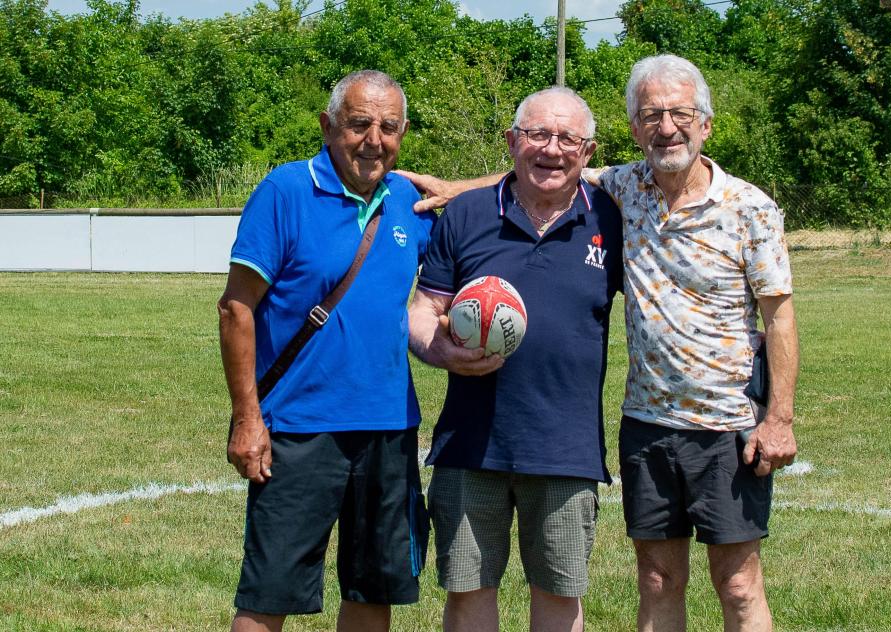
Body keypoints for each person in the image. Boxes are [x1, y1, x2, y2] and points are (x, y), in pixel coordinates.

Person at [400, 55, 799, 632]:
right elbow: (542, 170)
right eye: (651, 115)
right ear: (635, 129)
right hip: (639, 426)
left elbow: (780, 318)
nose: (667, 127)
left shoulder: (732, 209)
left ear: (705, 123)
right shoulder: (621, 192)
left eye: (680, 113)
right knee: (657, 580)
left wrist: (779, 416)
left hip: (716, 424)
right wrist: (463, 190)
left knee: (738, 584)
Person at [218, 69, 458, 632]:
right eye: (358, 124)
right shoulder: (285, 191)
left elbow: (511, 182)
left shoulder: (407, 200)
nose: (373, 139)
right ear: (328, 127)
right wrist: (248, 417)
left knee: (374, 587)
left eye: (389, 128)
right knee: (268, 591)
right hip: (299, 428)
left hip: (388, 426)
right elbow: (235, 309)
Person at [407, 87, 623, 632]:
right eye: (537, 135)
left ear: (588, 152)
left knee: (558, 598)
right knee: (468, 593)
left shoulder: (613, 219)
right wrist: (442, 351)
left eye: (568, 138)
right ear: (512, 141)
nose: (551, 149)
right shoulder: (467, 214)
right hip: (471, 443)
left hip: (566, 448)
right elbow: (421, 311)